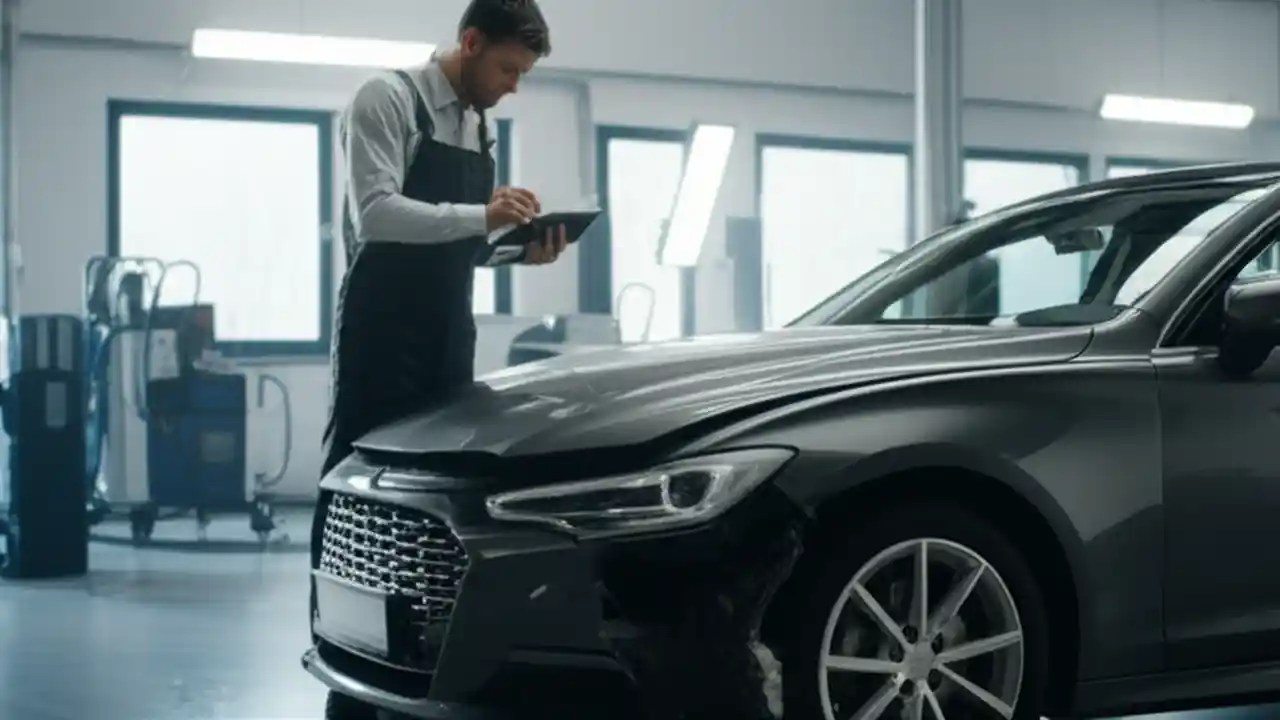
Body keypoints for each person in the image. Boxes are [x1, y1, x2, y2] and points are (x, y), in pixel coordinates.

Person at [322, 0, 563, 476]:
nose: (514, 86)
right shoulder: (387, 98)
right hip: (382, 336)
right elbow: (375, 214)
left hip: (449, 337)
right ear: (471, 42)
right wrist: (482, 215)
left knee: (438, 479)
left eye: (523, 74)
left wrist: (515, 250)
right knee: (357, 472)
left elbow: (453, 242)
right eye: (508, 68)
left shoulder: (475, 123)